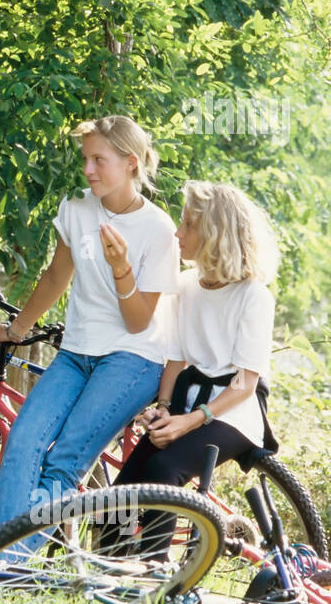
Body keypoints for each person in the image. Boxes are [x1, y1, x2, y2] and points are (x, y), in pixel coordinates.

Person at [0, 115, 179, 534]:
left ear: (131, 163)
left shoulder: (158, 229)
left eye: (98, 160)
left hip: (133, 358)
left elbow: (138, 321)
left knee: (64, 462)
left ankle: (2, 566)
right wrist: (17, 329)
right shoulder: (75, 208)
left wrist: (121, 267)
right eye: (85, 159)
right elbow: (57, 275)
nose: (88, 170)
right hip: (76, 353)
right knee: (22, 444)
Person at [111, 181, 280, 553]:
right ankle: (109, 564)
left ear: (214, 234)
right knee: (118, 494)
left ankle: (157, 577)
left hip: (233, 411)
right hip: (187, 404)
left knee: (162, 472)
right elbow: (176, 358)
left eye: (188, 224)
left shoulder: (254, 296)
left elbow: (244, 384)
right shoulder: (186, 285)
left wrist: (188, 421)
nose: (177, 232)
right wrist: (164, 409)